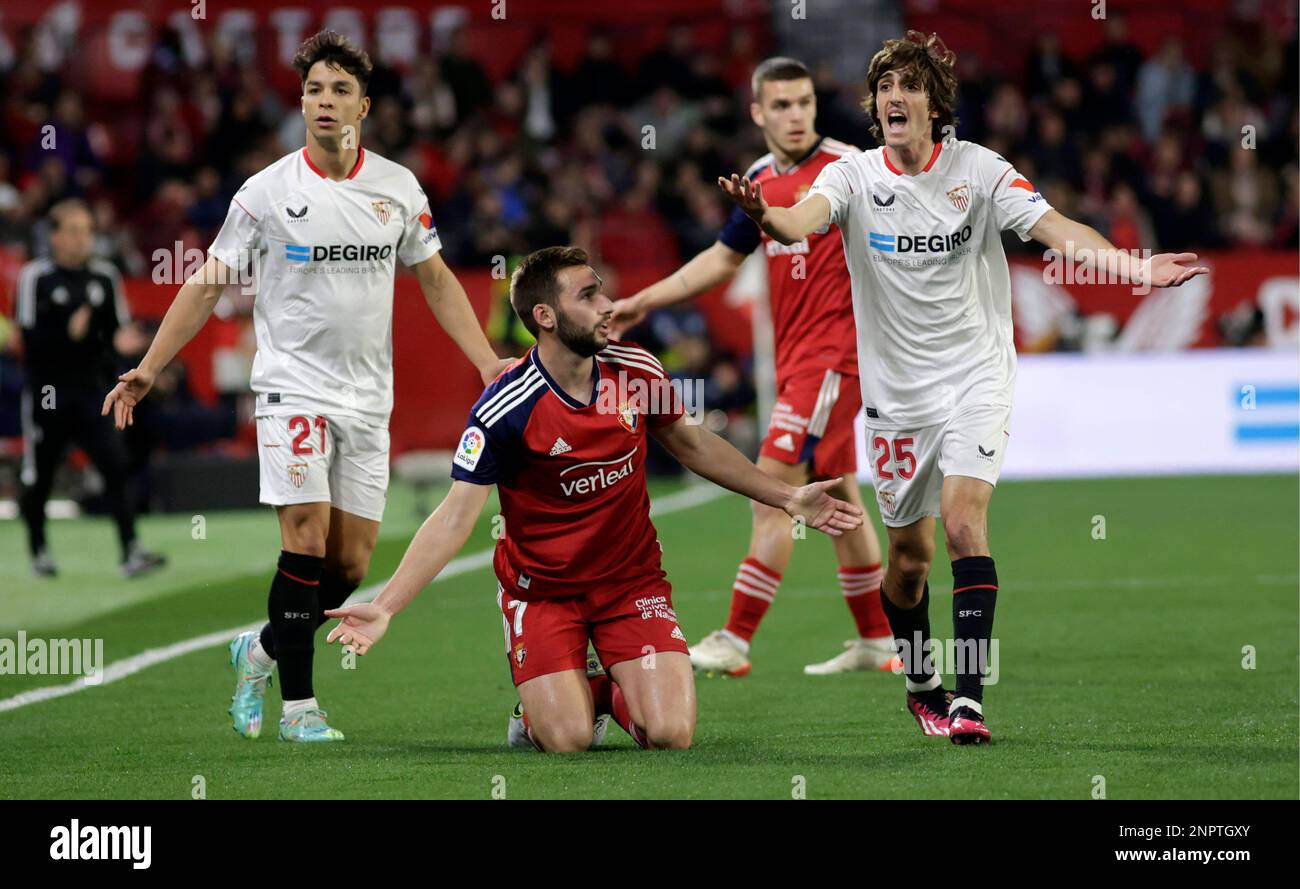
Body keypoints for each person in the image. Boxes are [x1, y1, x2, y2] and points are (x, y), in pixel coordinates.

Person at [717, 31, 1208, 744]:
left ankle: (970, 700)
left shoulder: (979, 171)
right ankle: (923, 684)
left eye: (909, 86)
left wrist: (1134, 268)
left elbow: (1056, 228)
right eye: (885, 87)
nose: (894, 97)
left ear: (934, 103)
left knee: (962, 520)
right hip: (896, 400)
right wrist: (765, 213)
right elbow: (799, 222)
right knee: (908, 564)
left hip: (976, 376)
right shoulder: (853, 178)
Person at [102, 31, 510, 743]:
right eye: (315, 90)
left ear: (365, 105)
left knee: (349, 566)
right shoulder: (265, 193)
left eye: (340, 90)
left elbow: (438, 280)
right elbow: (206, 284)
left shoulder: (397, 188)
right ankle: (300, 708)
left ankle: (258, 646)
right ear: (301, 101)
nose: (325, 101)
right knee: (305, 537)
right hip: (291, 387)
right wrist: (152, 364)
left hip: (366, 398)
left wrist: (483, 360)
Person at [323, 246, 864, 752]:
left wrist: (788, 496)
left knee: (670, 734)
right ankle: (547, 702)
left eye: (601, 291)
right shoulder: (504, 408)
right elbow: (455, 517)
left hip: (630, 583)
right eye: (588, 296)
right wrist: (387, 605)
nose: (608, 307)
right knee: (567, 741)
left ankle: (595, 688)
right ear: (546, 317)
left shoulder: (637, 371)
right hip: (543, 592)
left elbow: (693, 444)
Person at [614, 57, 895, 678]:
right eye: (782, 105)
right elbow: (718, 261)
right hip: (798, 363)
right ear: (758, 112)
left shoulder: (848, 170)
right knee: (836, 492)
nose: (795, 115)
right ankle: (879, 638)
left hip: (834, 360)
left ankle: (735, 639)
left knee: (771, 493)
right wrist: (642, 300)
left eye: (804, 102)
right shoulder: (760, 178)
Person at [16, 198, 166, 579]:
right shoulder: (37, 277)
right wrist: (69, 335)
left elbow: (118, 331)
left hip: (92, 392)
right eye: (75, 230)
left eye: (88, 231)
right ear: (54, 236)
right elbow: (29, 341)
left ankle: (130, 548)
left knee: (115, 465)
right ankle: (39, 550)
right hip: (48, 393)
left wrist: (129, 345)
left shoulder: (104, 277)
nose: (84, 239)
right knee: (41, 473)